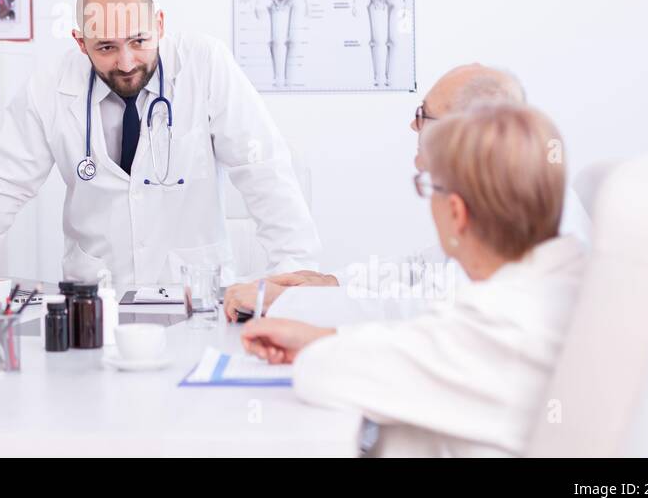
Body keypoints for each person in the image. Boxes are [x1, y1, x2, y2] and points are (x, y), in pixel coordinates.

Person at [241, 103, 586, 457]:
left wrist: (319, 346)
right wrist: (323, 335)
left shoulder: (497, 321)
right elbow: (428, 335)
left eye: (428, 188)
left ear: (456, 212)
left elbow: (320, 372)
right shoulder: (558, 283)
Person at [0, 0, 321, 287]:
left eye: (138, 41)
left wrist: (294, 271)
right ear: (80, 42)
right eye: (106, 47)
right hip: (94, 299)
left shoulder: (204, 64)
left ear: (159, 24)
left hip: (195, 294)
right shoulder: (49, 88)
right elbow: (2, 186)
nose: (126, 63)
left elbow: (263, 169)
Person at [223, 62, 591, 319]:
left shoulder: (529, 214)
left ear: (465, 130)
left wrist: (286, 303)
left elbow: (420, 310)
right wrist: (329, 283)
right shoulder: (507, 192)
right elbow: (417, 273)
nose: (413, 126)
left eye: (423, 115)